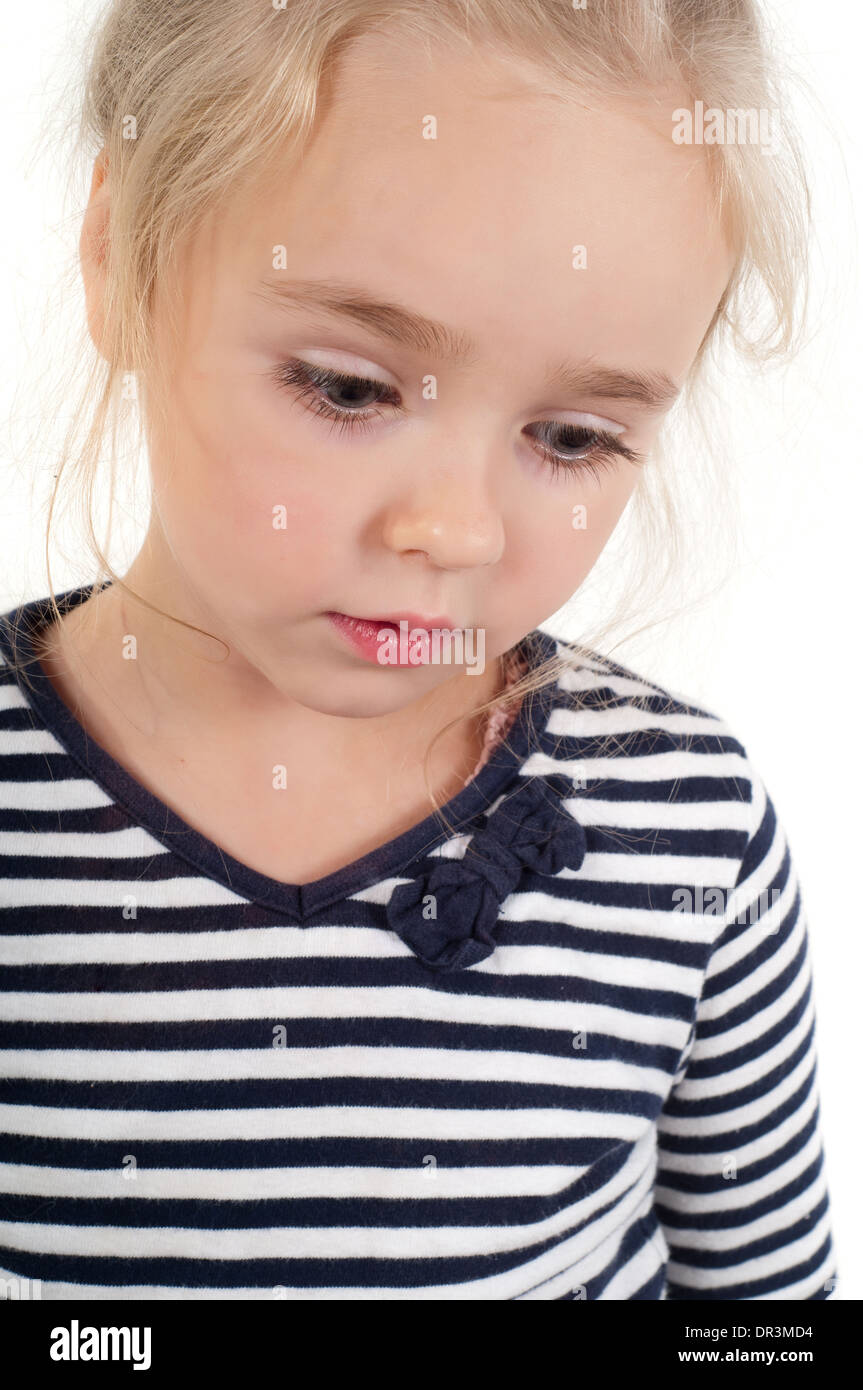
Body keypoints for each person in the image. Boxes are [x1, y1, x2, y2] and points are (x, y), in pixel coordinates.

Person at [0, 0, 836, 1300]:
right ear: (122, 257)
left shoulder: (689, 837)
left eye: (569, 439)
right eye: (347, 387)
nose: (451, 532)